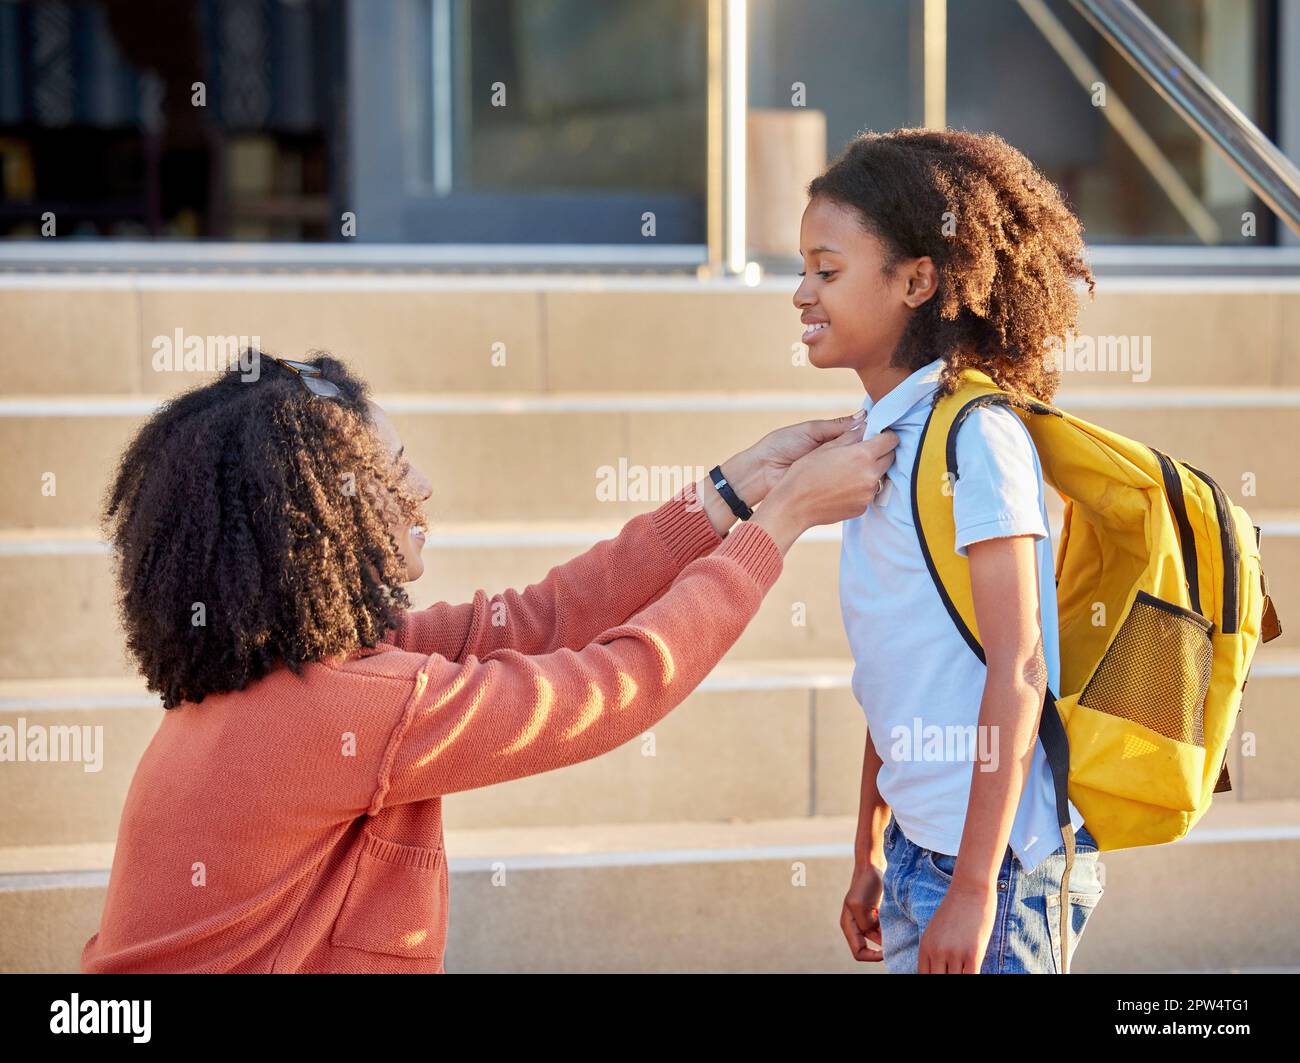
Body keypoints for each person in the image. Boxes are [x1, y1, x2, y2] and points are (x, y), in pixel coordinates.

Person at [80, 351, 898, 973]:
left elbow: (539, 619)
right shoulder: (344, 708)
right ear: (321, 519)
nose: (425, 488)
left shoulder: (301, 667)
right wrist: (779, 526)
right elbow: (614, 688)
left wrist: (734, 492)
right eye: (397, 474)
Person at [795, 129, 1104, 974]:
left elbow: (1019, 667)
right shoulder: (880, 444)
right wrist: (869, 842)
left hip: (995, 869)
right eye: (803, 270)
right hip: (917, 854)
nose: (800, 293)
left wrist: (972, 890)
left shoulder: (978, 436)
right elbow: (898, 663)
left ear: (918, 280)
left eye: (827, 270)